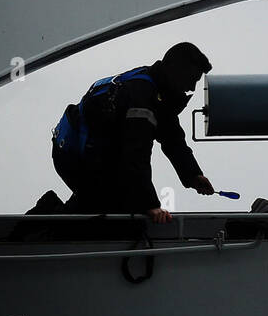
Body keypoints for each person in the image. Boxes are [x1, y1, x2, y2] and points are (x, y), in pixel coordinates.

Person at [37, 42, 214, 220]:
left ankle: (49, 216)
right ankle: (42, 221)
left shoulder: (158, 92)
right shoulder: (141, 97)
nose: (192, 88)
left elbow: (173, 140)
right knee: (113, 207)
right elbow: (136, 154)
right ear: (176, 71)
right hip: (75, 154)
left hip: (85, 152)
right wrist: (150, 205)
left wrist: (193, 175)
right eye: (192, 79)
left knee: (110, 204)